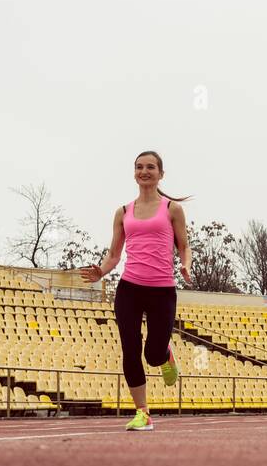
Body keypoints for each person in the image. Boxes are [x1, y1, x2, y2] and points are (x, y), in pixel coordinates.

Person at [81, 151, 191, 430]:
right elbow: (114, 254)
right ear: (134, 173)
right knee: (130, 349)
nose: (145, 171)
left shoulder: (171, 210)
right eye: (139, 167)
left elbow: (184, 246)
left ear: (161, 174)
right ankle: (143, 413)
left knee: (151, 355)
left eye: (151, 167)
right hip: (129, 288)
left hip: (162, 290)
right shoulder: (123, 212)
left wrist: (186, 265)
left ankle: (165, 354)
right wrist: (101, 271)